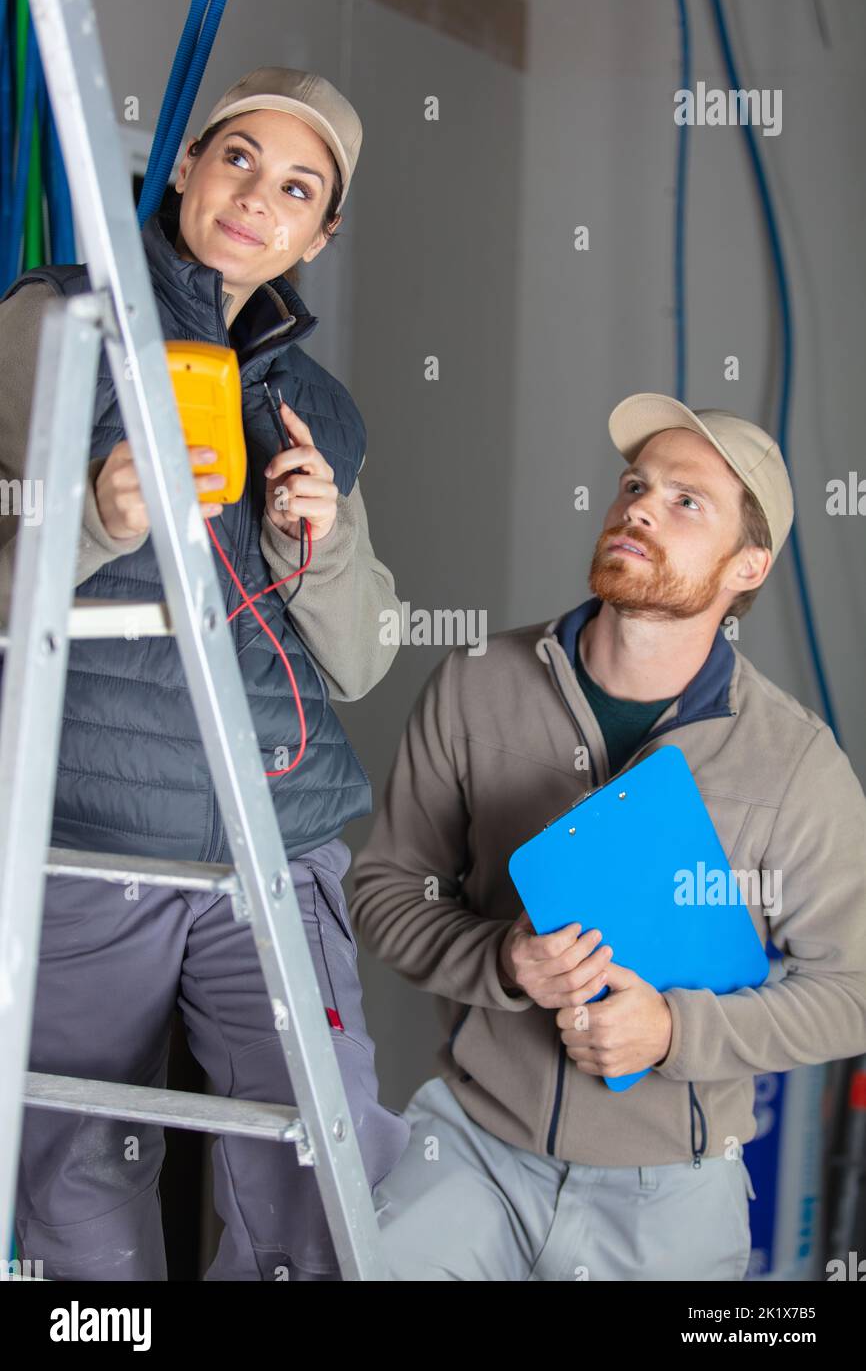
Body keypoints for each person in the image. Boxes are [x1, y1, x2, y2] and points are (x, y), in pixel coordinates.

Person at [0, 66, 410, 1281]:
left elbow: (362, 653)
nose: (255, 198)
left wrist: (319, 547)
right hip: (90, 834)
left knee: (324, 1172)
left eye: (296, 187)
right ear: (183, 164)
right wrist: (93, 517)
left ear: (319, 232)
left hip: (274, 839)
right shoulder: (52, 323)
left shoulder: (318, 407)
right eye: (236, 160)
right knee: (75, 1176)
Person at [349, 393, 866, 1281]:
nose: (638, 506)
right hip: (470, 1153)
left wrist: (673, 1032)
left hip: (672, 1196)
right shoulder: (477, 683)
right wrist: (504, 961)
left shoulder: (796, 762)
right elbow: (385, 892)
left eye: (685, 501)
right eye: (636, 483)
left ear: (748, 565)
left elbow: (852, 990)